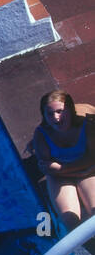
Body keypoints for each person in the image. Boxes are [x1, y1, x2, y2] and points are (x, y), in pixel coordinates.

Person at [30, 89, 95, 231]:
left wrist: (60, 168)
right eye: (49, 113)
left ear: (70, 110)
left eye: (60, 111)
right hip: (65, 176)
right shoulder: (41, 134)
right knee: (71, 222)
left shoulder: (87, 125)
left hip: (80, 172)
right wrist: (76, 171)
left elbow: (92, 157)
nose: (55, 118)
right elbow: (45, 167)